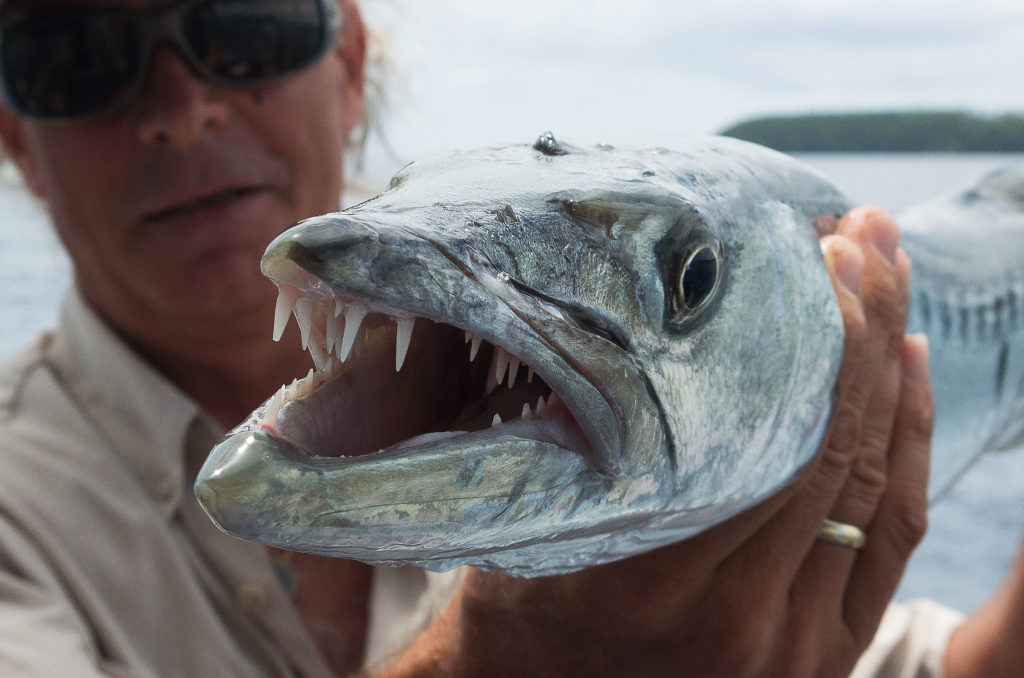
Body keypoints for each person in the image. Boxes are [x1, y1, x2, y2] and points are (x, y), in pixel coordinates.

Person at [0, 0, 1017, 676]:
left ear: (348, 64)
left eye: (247, 29)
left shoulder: (524, 405)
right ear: (14, 138)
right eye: (75, 61)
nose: (182, 109)